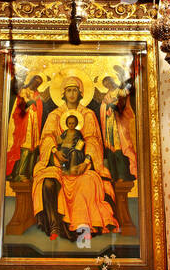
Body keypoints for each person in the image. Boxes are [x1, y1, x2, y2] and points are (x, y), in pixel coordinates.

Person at [32, 76, 118, 241]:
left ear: (81, 93)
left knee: (88, 183)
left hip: (82, 165)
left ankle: (82, 226)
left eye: (75, 90)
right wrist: (54, 151)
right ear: (63, 94)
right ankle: (54, 226)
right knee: (48, 182)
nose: (72, 94)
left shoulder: (88, 115)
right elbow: (48, 137)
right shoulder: (55, 115)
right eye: (68, 90)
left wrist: (85, 162)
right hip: (58, 163)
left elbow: (92, 140)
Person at [99, 71, 137, 184]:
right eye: (105, 84)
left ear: (112, 81)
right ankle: (114, 175)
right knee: (110, 148)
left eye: (109, 82)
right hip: (109, 125)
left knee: (120, 147)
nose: (108, 85)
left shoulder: (118, 91)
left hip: (118, 123)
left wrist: (129, 84)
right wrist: (106, 107)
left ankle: (122, 175)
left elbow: (125, 94)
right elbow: (103, 108)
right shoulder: (106, 95)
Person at [5, 74, 44, 182]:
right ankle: (19, 173)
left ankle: (29, 173)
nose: (36, 84)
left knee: (33, 147)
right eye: (35, 81)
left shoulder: (37, 94)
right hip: (24, 122)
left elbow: (38, 108)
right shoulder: (23, 91)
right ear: (31, 81)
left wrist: (37, 102)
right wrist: (32, 102)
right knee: (25, 146)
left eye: (38, 83)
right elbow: (21, 107)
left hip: (34, 122)